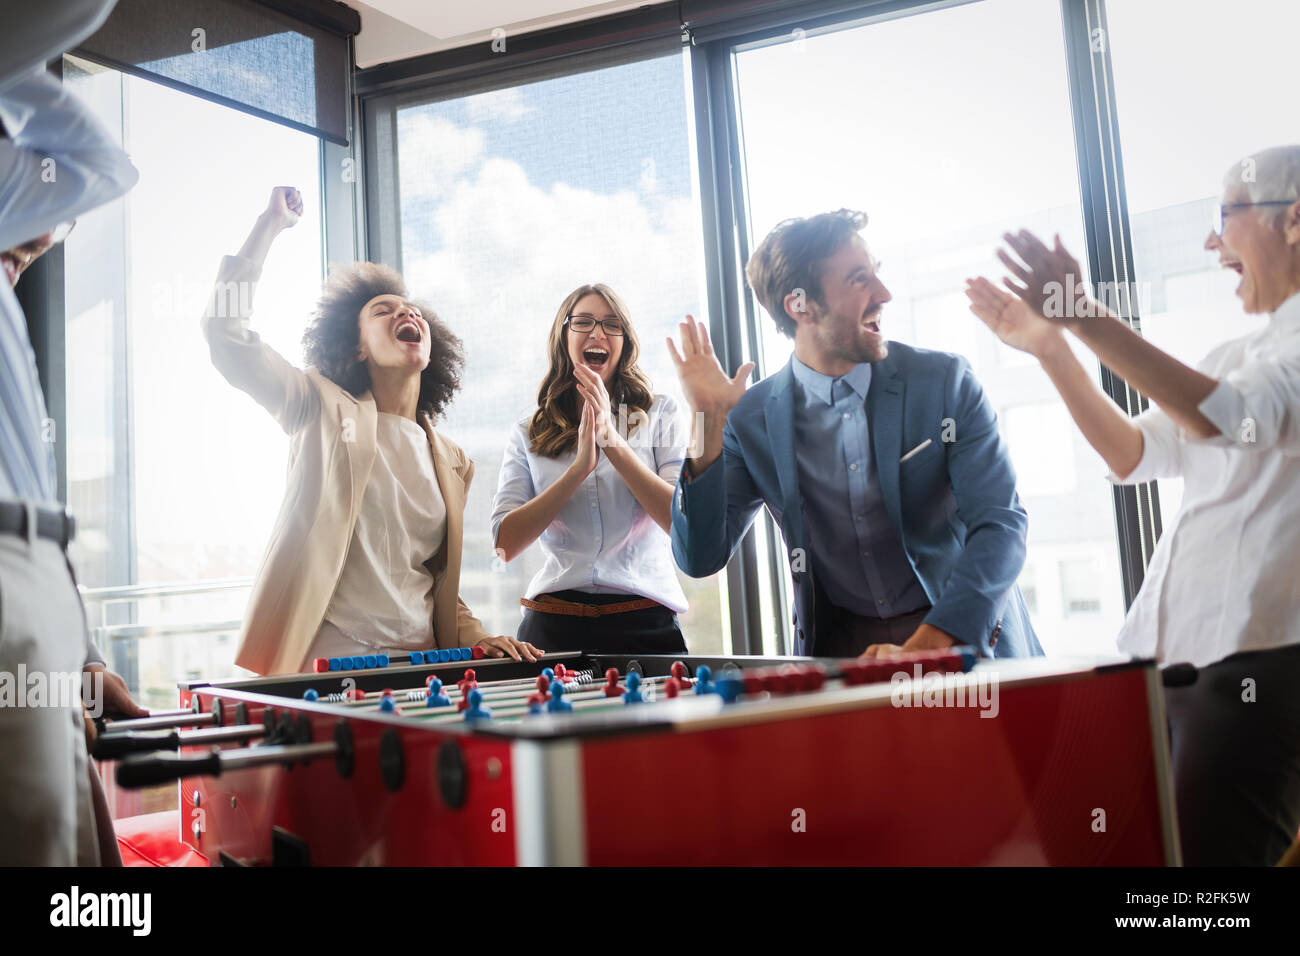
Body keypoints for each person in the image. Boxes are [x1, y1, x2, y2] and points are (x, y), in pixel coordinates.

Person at [965, 145, 1300, 866]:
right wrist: (1056, 348)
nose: (1213, 241)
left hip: (1257, 666)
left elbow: (1233, 419)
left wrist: (1087, 316)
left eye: (1226, 216)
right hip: (1167, 661)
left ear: (1294, 220)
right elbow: (1133, 455)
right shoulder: (1236, 353)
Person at [669, 209, 1041, 660]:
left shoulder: (944, 382)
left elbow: (1001, 524)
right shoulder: (751, 420)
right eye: (859, 279)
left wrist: (932, 643)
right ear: (799, 305)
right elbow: (699, 558)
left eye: (876, 274)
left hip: (966, 647)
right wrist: (706, 425)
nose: (883, 294)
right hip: (847, 667)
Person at [204, 187, 540, 674]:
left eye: (413, 311)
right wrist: (268, 226)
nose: (406, 313)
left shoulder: (452, 460)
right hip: (332, 661)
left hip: (424, 666)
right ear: (357, 347)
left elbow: (432, 582)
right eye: (382, 310)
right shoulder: (316, 405)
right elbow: (224, 333)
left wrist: (484, 639)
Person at [0, 0, 147, 866]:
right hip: (14, 593)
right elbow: (100, 163)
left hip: (37, 596)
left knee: (75, 858)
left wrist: (82, 654)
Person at [490, 284, 689, 653]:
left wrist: (611, 440)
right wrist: (579, 469)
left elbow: (682, 523)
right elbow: (505, 544)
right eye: (583, 322)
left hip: (646, 625)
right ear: (563, 336)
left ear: (624, 341)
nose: (597, 333)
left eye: (611, 324)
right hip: (551, 628)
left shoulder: (661, 413)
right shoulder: (527, 432)